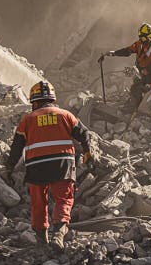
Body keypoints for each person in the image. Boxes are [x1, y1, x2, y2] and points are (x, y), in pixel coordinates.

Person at [5, 81, 91, 251]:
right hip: (62, 164)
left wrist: (9, 167)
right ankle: (58, 235)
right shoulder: (66, 115)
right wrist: (88, 153)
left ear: (35, 102)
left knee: (38, 202)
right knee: (63, 199)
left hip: (36, 166)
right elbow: (84, 134)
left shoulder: (27, 120)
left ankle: (41, 240)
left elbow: (16, 148)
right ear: (52, 99)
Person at [99, 23, 151, 112]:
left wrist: (140, 72)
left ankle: (134, 108)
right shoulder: (139, 44)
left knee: (138, 87)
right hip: (142, 74)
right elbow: (128, 51)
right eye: (140, 37)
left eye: (144, 38)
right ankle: (134, 104)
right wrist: (113, 53)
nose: (141, 40)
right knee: (135, 86)